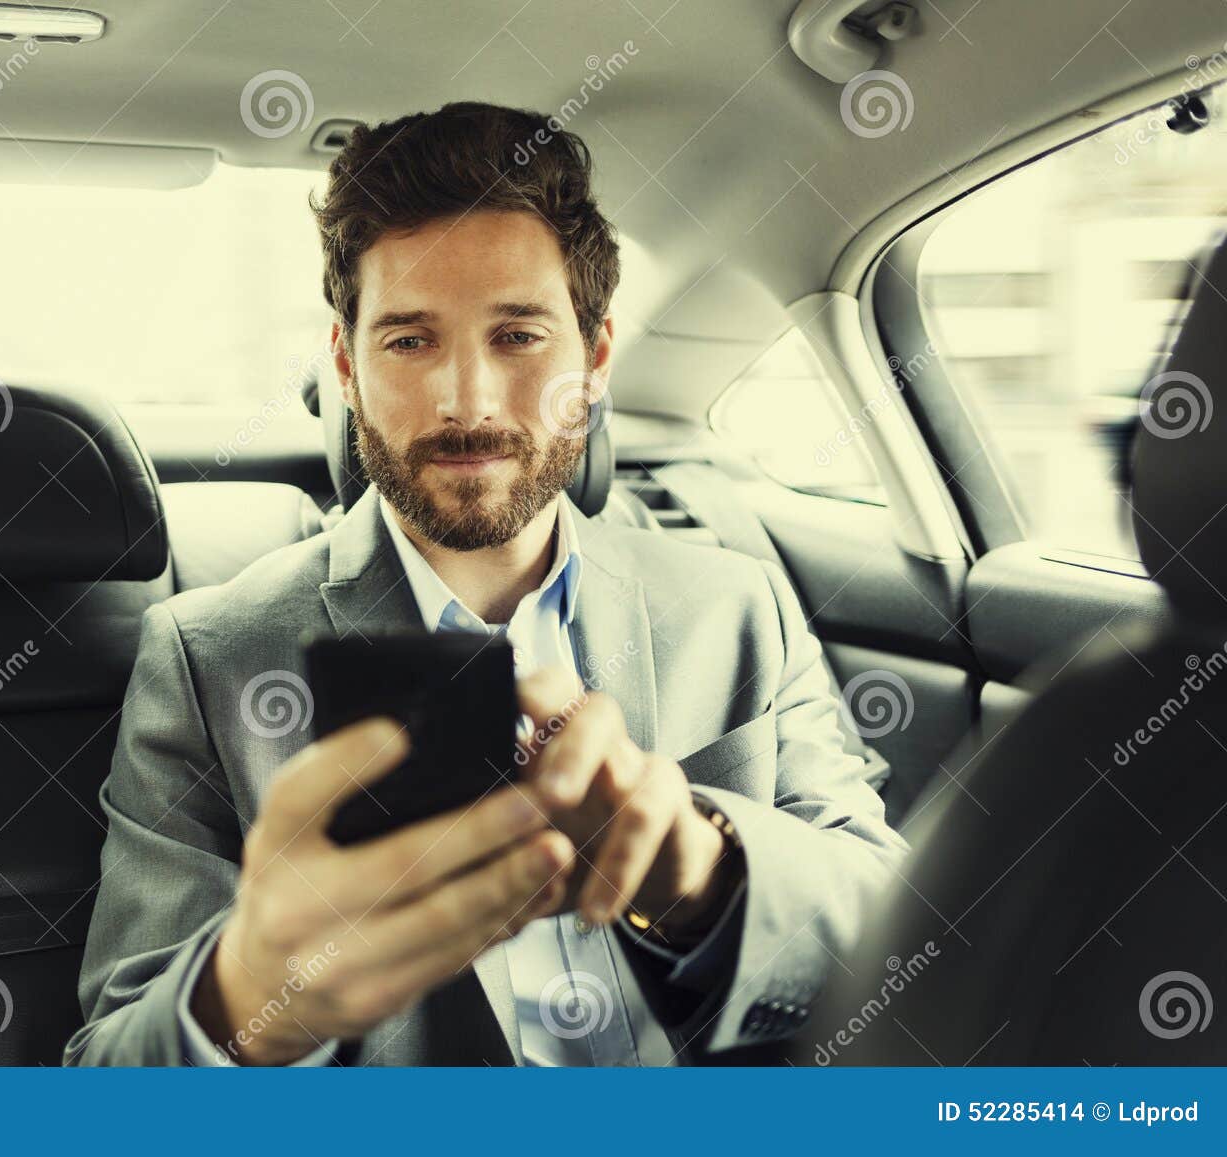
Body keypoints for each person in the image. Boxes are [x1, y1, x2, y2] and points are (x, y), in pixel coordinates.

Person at [65, 101, 906, 1067]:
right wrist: (252, 995)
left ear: (593, 359)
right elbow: (106, 1077)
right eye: (409, 341)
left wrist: (705, 875)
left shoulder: (738, 606)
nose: (465, 401)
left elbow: (903, 940)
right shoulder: (209, 657)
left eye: (517, 337)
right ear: (346, 364)